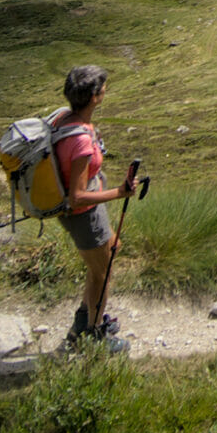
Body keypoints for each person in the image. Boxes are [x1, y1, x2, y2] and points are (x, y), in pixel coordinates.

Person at [47, 63, 137, 346]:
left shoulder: (63, 118)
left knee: (112, 248)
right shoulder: (82, 142)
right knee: (102, 271)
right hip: (83, 215)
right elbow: (77, 196)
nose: (106, 90)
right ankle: (93, 336)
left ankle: (84, 318)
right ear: (95, 96)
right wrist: (119, 193)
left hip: (80, 213)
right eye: (103, 88)